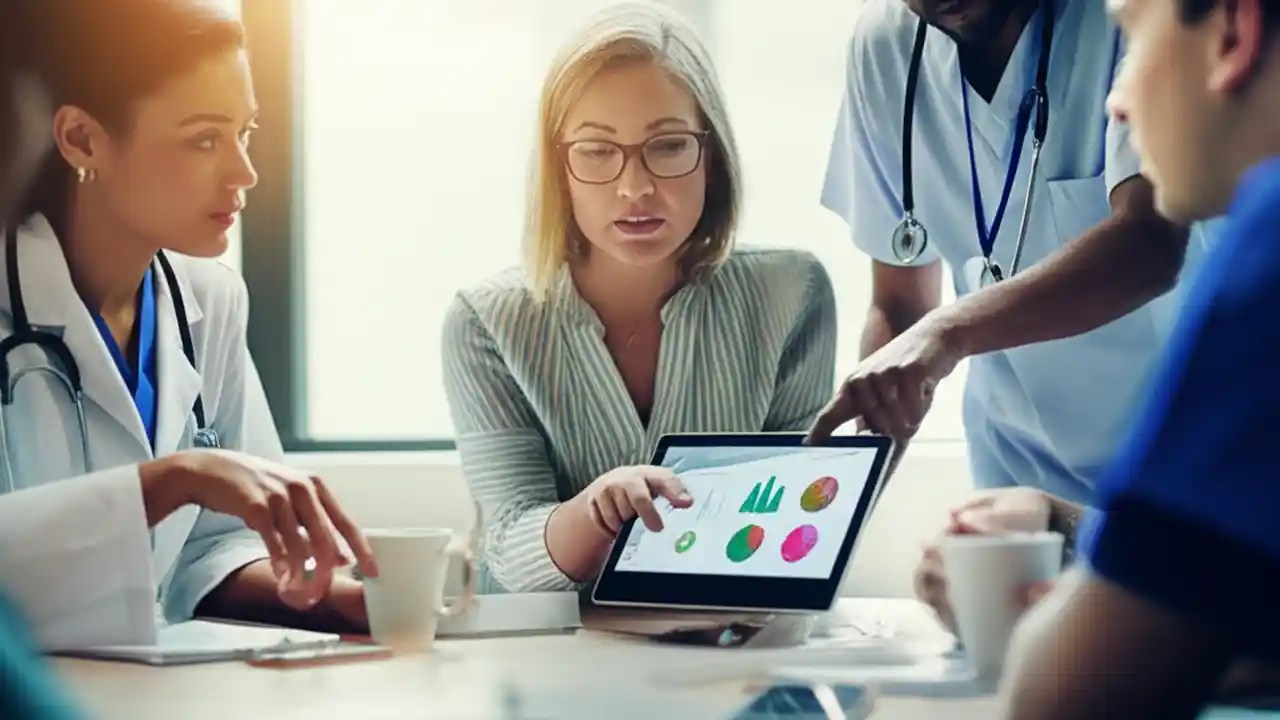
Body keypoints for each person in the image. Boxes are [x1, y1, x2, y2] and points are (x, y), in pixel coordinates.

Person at [0, 0, 377, 651]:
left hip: (145, 687)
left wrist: (355, 602)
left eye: (246, 133)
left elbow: (214, 548)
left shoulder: (212, 300)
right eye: (204, 139)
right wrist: (173, 481)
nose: (244, 173)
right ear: (82, 140)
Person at [442, 2, 838, 593]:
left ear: (713, 158)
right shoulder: (486, 321)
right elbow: (507, 549)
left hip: (725, 644)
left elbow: (795, 530)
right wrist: (597, 510)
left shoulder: (792, 294)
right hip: (554, 657)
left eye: (670, 145)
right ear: (559, 169)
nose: (634, 188)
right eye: (597, 151)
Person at [806, 0, 1214, 509]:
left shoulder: (1128, 18)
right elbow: (901, 304)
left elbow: (1149, 242)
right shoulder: (885, 49)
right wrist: (846, 492)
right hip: (1017, 476)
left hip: (1187, 465)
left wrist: (947, 333)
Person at [997, 0, 1280, 712]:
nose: (1116, 104)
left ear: (1232, 33)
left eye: (1130, 35)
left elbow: (1065, 699)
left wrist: (1053, 622)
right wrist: (1061, 527)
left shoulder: (1270, 245)